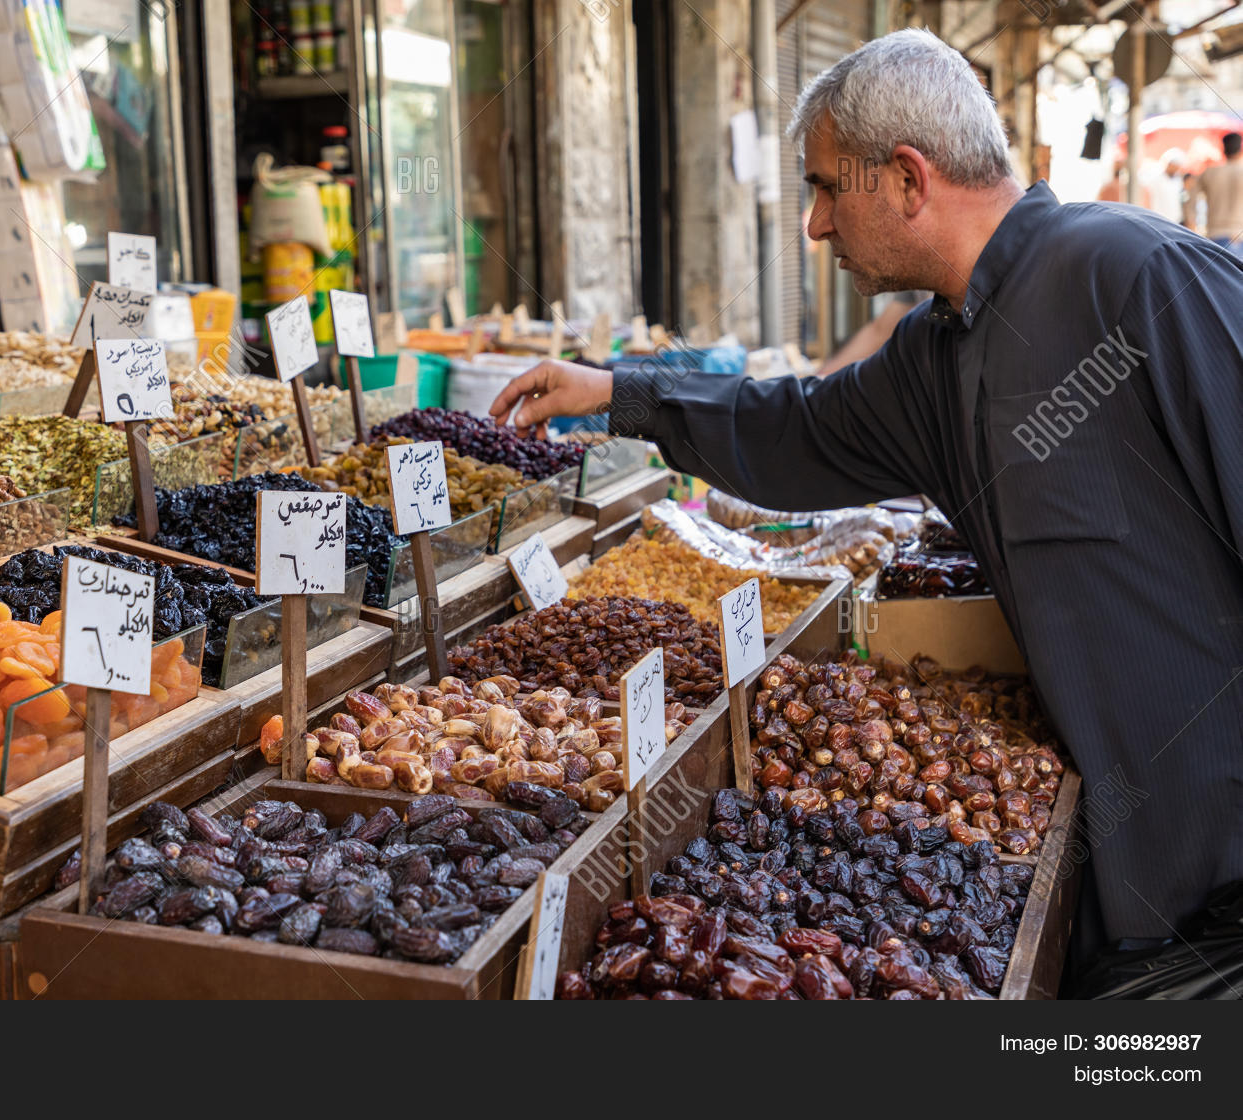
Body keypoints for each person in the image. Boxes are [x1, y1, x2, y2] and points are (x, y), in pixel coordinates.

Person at [490, 28, 1243, 963]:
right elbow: (798, 431)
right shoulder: (938, 351)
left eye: (825, 188)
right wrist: (620, 393)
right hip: (1122, 888)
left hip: (1221, 875)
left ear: (908, 179)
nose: (815, 226)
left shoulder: (1137, 276)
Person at [1183, 131, 1243, 251]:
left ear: (1223, 150)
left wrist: (1191, 225)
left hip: (1215, 235)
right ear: (1241, 150)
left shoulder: (1210, 172)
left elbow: (1188, 199)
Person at [1138, 148, 1186, 224]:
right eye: (1175, 166)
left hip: (1175, 220)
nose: (1176, 169)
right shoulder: (1155, 177)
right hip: (1159, 218)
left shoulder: (1178, 180)